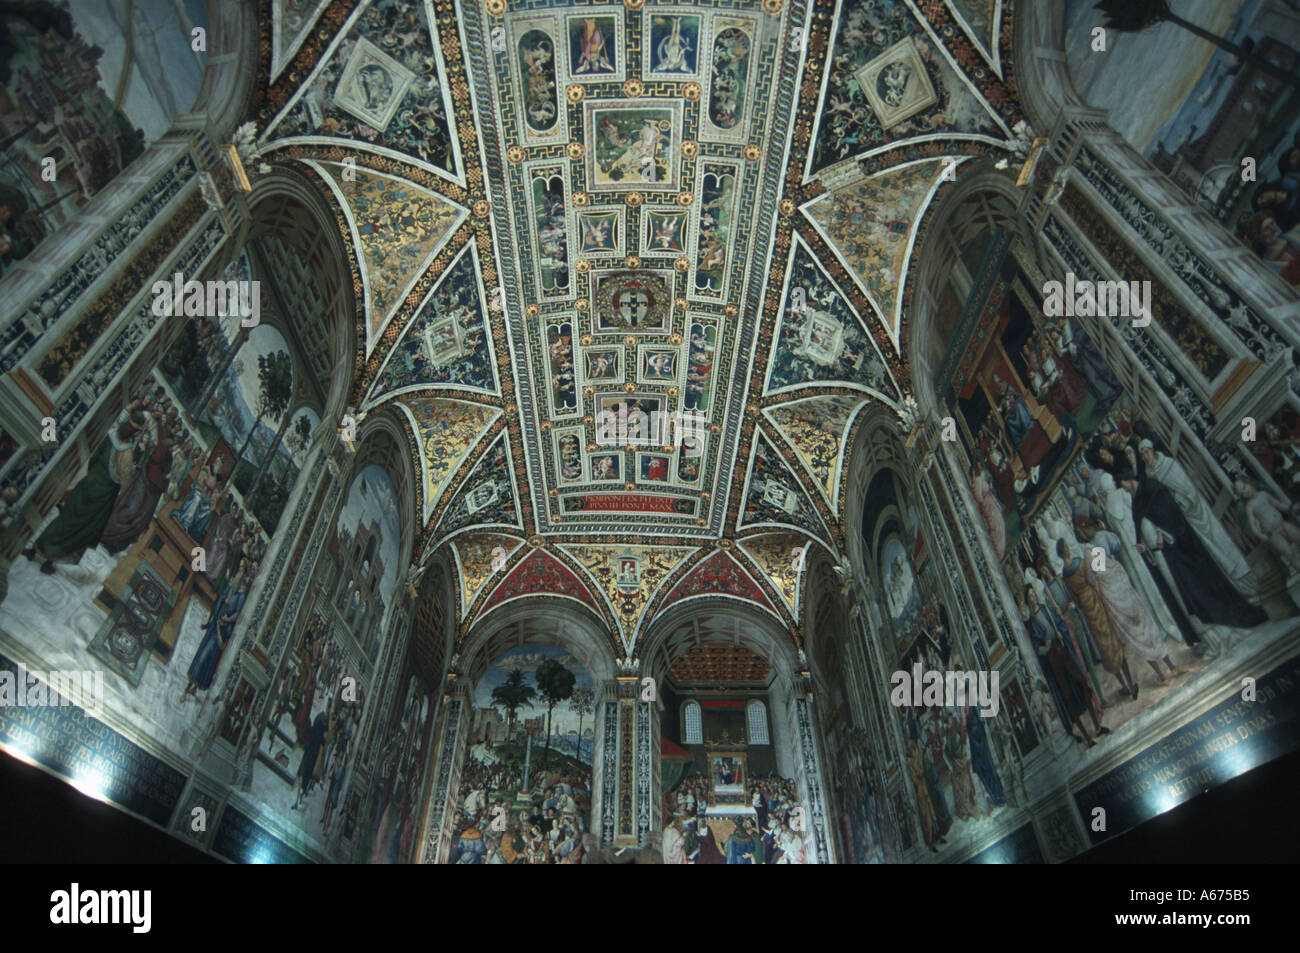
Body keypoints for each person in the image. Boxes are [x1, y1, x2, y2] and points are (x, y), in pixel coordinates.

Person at [181, 557, 250, 701]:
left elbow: (238, 613)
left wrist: (227, 619)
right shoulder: (231, 584)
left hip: (222, 630)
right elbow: (222, 597)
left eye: (243, 568)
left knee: (208, 659)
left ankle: (195, 688)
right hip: (215, 626)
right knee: (201, 655)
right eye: (240, 567)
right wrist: (223, 602)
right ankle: (188, 688)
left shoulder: (242, 593)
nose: (240, 570)